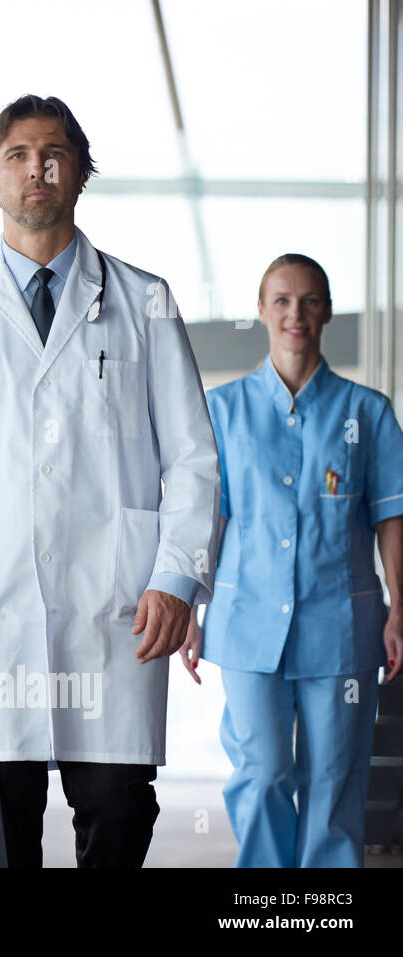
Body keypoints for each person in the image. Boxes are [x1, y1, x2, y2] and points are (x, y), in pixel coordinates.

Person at [0, 94, 221, 868]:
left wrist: (175, 577)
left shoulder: (144, 301)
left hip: (115, 606)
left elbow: (193, 457)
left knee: (117, 812)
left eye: (53, 155)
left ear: (79, 174)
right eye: (17, 155)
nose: (35, 169)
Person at [181, 254, 403, 867]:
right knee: (263, 769)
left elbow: (391, 518)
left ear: (327, 310)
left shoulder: (369, 413)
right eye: (281, 300)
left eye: (309, 300)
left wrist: (398, 611)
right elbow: (204, 518)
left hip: (343, 625)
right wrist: (189, 607)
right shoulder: (221, 412)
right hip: (246, 621)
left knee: (335, 777)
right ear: (261, 310)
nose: (295, 314)